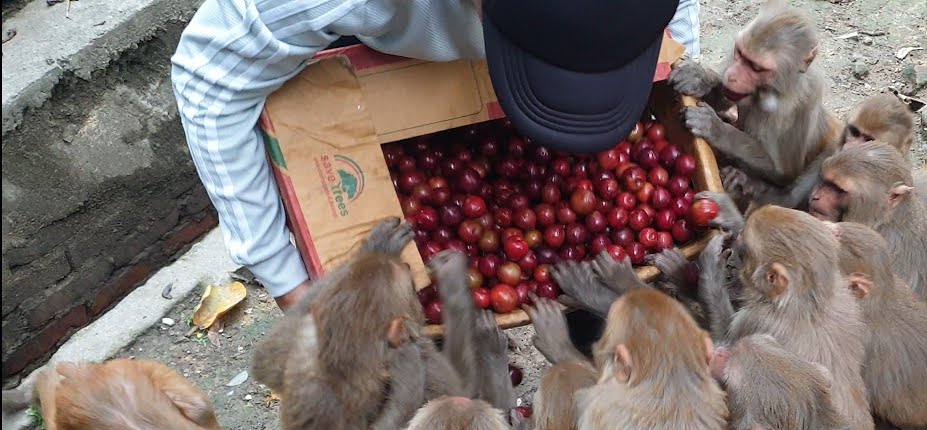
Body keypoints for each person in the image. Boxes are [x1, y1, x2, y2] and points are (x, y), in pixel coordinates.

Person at [171, 0, 701, 320]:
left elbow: (674, 24)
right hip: (376, 63)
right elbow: (210, 76)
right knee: (422, 317)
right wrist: (286, 280)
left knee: (596, 288)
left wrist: (673, 70)